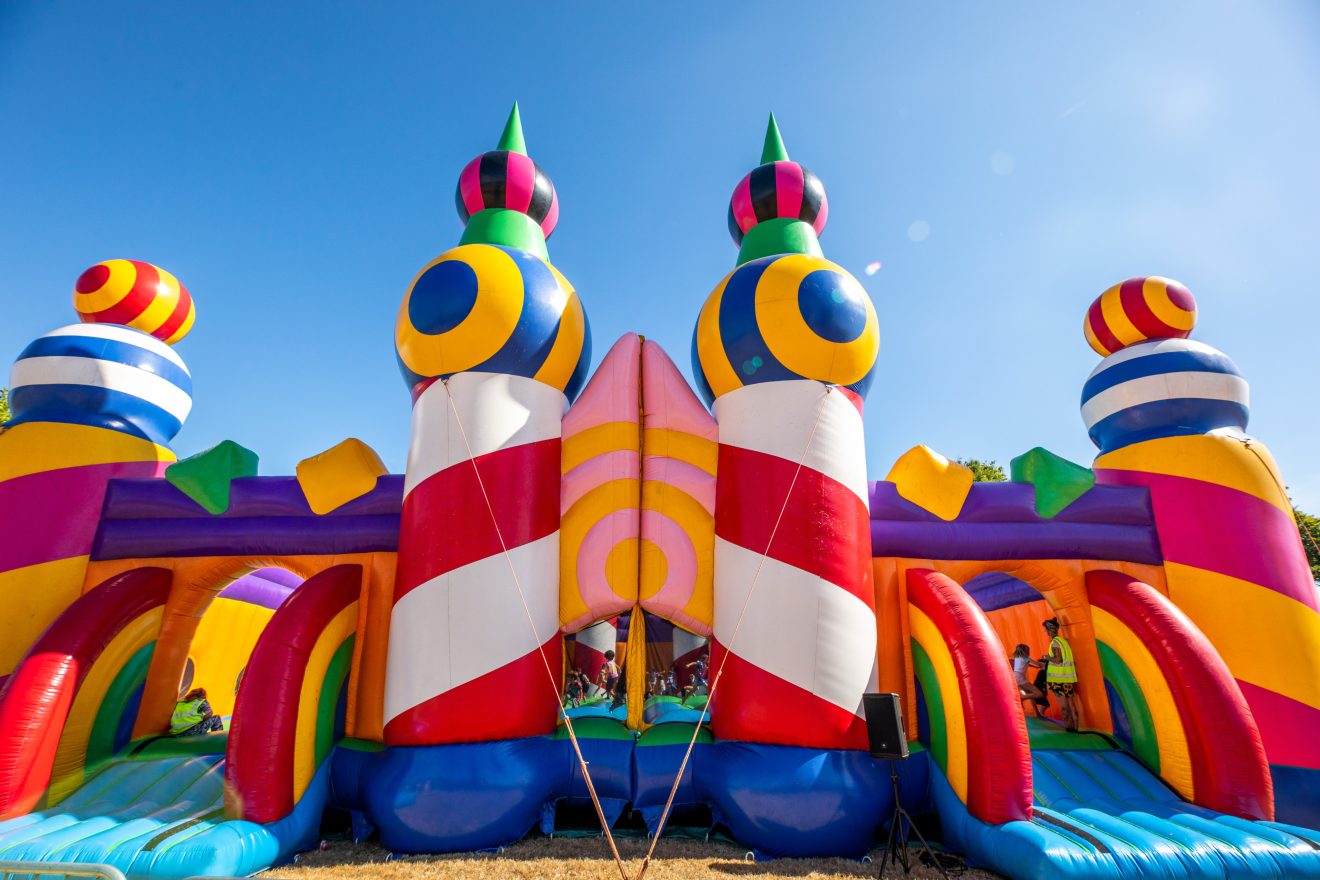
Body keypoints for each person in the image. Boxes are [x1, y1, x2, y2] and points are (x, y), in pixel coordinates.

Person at [1043, 618, 1080, 731]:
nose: (1044, 632)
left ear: (1049, 630)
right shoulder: (1063, 642)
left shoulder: (1055, 643)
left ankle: (1069, 728)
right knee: (1071, 704)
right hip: (1068, 678)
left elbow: (1058, 659)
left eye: (1045, 630)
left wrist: (1046, 657)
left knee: (1064, 707)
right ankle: (1076, 727)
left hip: (1058, 680)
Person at [1011, 644, 1046, 717]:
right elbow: (1038, 663)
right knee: (1039, 694)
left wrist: (1034, 667)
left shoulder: (1018, 658)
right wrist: (1043, 664)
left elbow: (1026, 664)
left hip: (1016, 676)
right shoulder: (1026, 658)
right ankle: (1022, 697)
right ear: (1026, 651)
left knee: (1030, 694)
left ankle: (1037, 713)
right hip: (1020, 677)